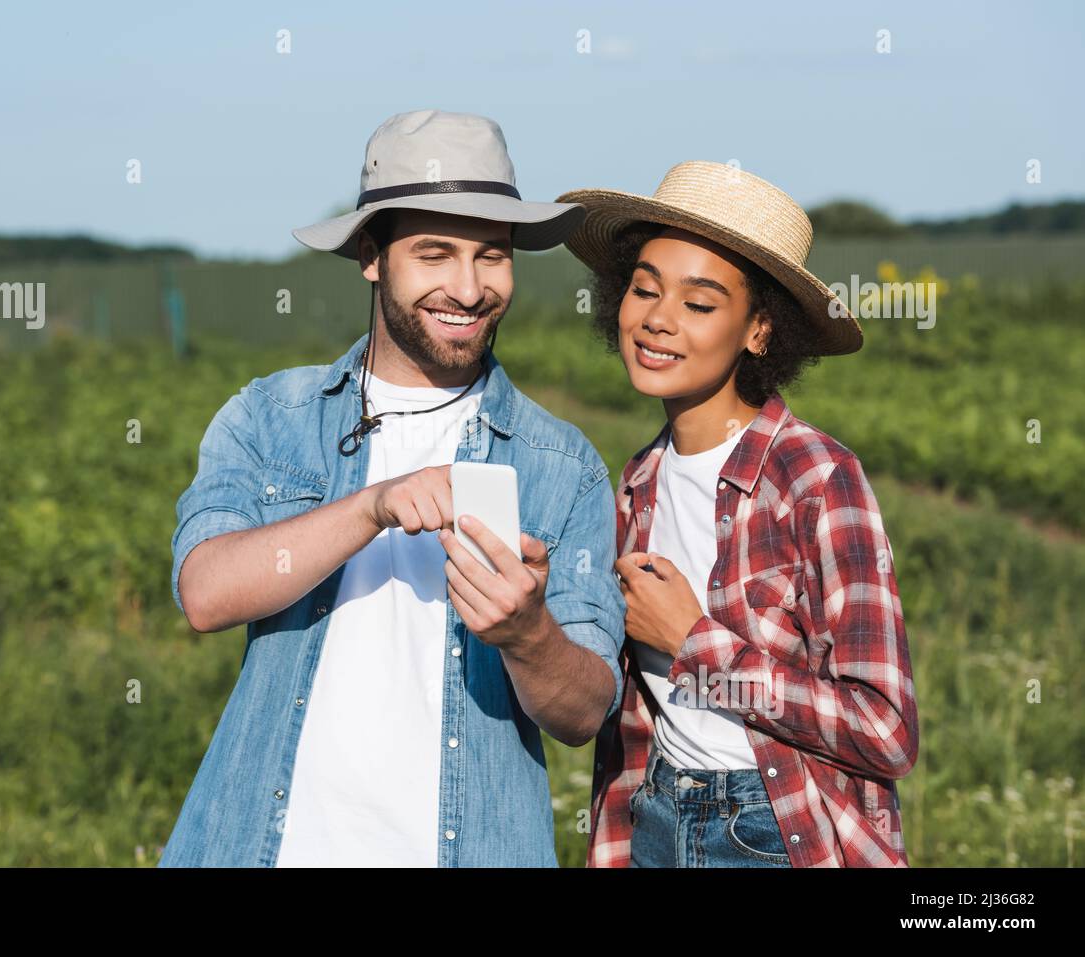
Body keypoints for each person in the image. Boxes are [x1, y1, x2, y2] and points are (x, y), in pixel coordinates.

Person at [158, 109, 624, 867]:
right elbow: (205, 592)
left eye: (491, 257)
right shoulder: (271, 415)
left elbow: (583, 711)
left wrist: (528, 633)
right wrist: (372, 503)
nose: (468, 288)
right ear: (371, 257)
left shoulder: (562, 464)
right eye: (434, 254)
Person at [556, 161, 920, 867]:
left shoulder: (816, 478)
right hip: (654, 815)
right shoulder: (636, 482)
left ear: (759, 329)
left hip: (771, 829)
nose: (658, 319)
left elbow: (886, 730)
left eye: (699, 303)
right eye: (645, 288)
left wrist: (696, 641)